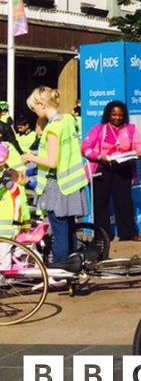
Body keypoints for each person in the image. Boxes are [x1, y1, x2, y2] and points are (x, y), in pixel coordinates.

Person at [21, 87, 89, 267]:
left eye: (34, 108)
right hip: (72, 182)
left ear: (41, 104)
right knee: (69, 229)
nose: (34, 112)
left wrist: (29, 157)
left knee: (59, 231)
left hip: (58, 185)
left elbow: (52, 162)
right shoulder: (68, 120)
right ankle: (74, 266)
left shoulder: (53, 129)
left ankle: (60, 268)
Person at [82, 100, 141, 242]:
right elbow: (85, 148)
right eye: (113, 115)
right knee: (100, 205)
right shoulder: (98, 129)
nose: (117, 118)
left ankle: (128, 233)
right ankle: (103, 236)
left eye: (120, 115)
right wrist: (100, 156)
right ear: (108, 115)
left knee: (124, 202)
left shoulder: (131, 129)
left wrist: (140, 152)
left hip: (123, 170)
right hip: (101, 169)